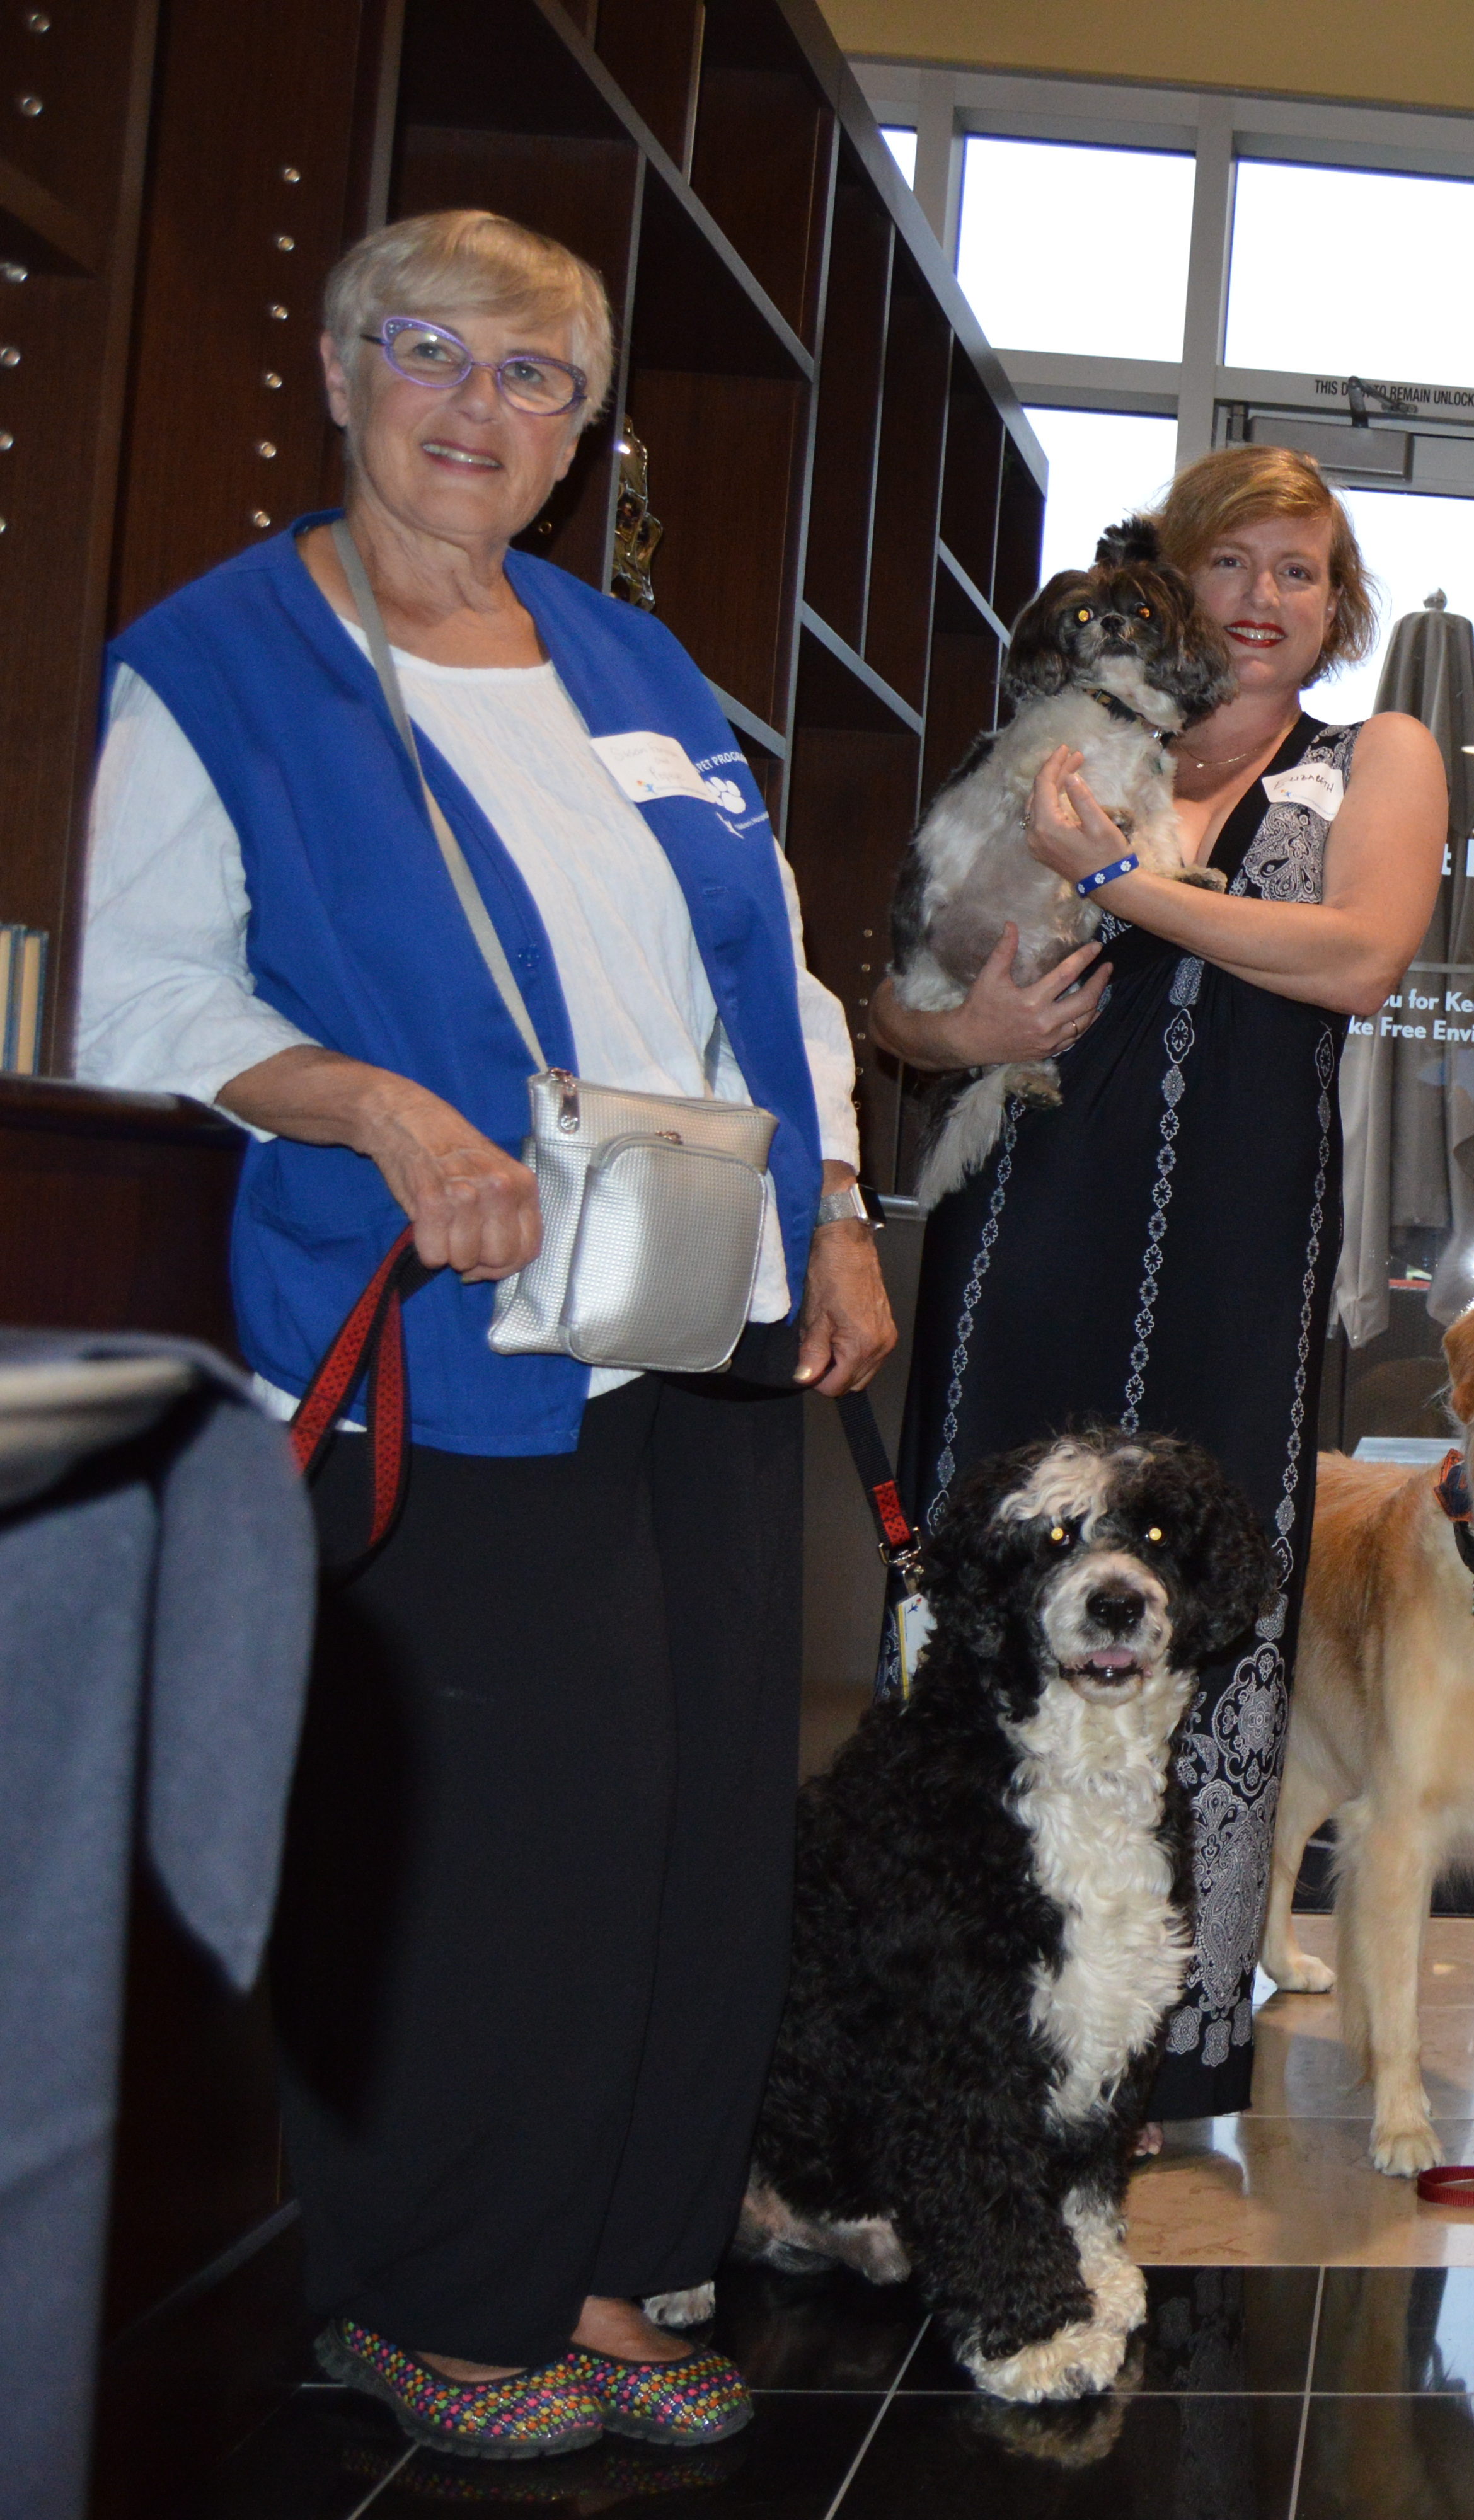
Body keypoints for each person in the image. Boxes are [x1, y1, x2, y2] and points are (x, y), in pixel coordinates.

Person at [73, 210, 892, 2458]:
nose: (475, 406)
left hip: (699, 1292)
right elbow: (140, 997)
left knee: (696, 1823)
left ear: (572, 434)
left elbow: (776, 962)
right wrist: (374, 1108)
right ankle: (437, 2286)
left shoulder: (630, 662)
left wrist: (830, 1195)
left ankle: (615, 2265)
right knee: (506, 1832)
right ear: (342, 370)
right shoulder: (221, 661)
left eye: (531, 378)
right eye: (427, 352)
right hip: (443, 1326)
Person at [872, 444, 1441, 2117]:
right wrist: (953, 1034)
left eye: (1304, 574)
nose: (1266, 603)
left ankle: (1160, 2049)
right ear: (1175, 579)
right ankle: (955, 2036)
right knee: (996, 1592)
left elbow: (1359, 959)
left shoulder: (1375, 756)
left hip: (1236, 1254)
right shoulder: (1063, 736)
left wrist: (1124, 885)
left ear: (1337, 610)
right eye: (1236, 566)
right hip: (1032, 1225)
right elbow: (901, 977)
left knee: (1204, 1607)